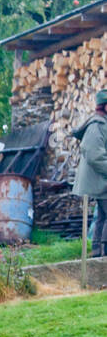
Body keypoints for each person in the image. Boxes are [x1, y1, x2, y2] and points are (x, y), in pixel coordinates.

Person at [72, 89, 107, 258]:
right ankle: (102, 252)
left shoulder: (102, 124)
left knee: (102, 216)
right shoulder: (97, 126)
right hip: (99, 179)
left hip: (101, 179)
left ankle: (98, 253)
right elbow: (95, 155)